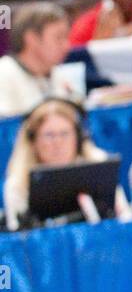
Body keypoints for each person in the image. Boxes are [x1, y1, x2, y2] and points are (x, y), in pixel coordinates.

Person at [3, 96, 109, 231]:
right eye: (49, 135)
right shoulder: (18, 184)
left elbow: (124, 218)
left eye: (64, 134)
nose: (58, 143)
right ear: (32, 141)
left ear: (79, 137)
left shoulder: (99, 165)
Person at [0, 2, 71, 117]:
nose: (67, 45)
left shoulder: (58, 74)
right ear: (32, 39)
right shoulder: (3, 73)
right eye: (58, 38)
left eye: (66, 37)